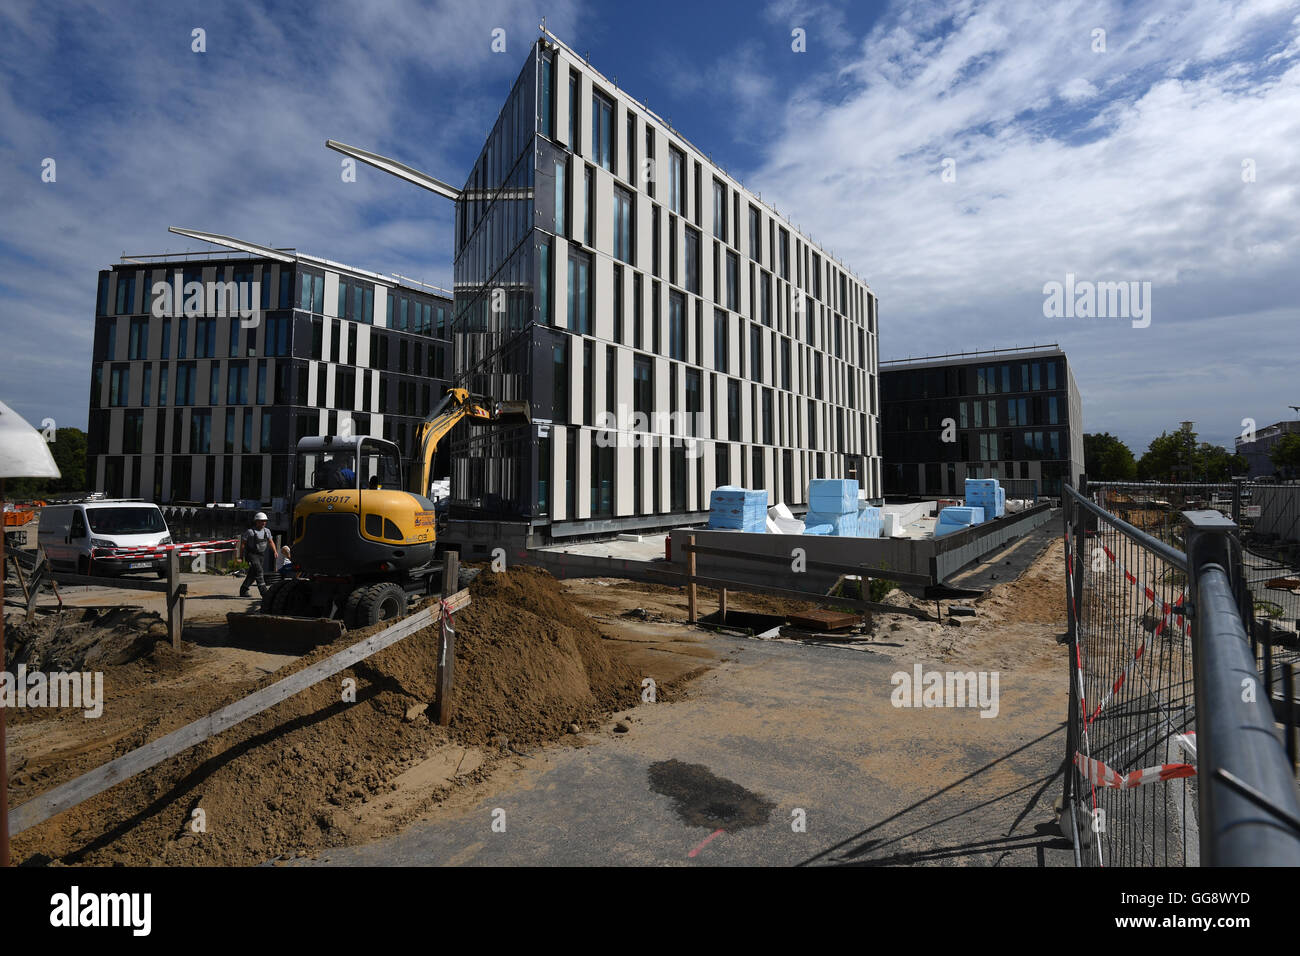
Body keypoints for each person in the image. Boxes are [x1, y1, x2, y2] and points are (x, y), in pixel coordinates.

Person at [238, 511, 279, 601]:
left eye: (265, 521)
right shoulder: (250, 532)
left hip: (261, 555)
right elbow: (243, 544)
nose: (264, 523)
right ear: (256, 521)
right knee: (259, 571)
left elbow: (271, 541)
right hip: (251, 555)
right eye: (261, 521)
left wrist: (275, 551)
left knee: (253, 574)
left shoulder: (267, 531)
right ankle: (264, 592)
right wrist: (241, 557)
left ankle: (243, 590)